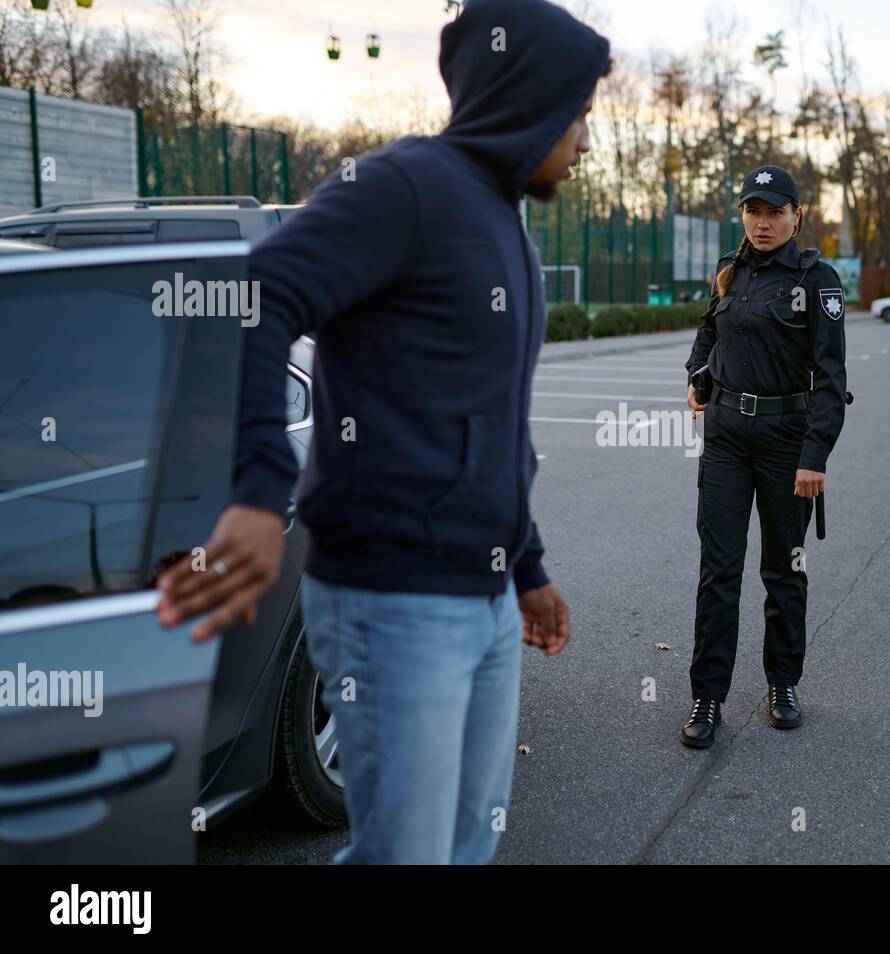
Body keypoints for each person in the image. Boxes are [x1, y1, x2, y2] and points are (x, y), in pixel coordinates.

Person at [155, 0, 611, 863]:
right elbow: (258, 297)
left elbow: (494, 421)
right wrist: (258, 490)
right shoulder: (404, 187)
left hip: (480, 602)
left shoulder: (505, 223)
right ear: (531, 100)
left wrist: (529, 567)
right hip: (392, 600)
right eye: (581, 113)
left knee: (468, 844)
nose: (587, 140)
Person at [681, 164, 848, 748]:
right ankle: (707, 696)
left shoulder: (817, 279)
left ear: (796, 216)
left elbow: (831, 378)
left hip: (787, 443)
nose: (762, 221)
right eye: (753, 210)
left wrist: (815, 455)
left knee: (784, 570)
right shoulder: (730, 271)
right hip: (725, 438)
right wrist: (698, 376)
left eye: (775, 211)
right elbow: (708, 332)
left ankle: (783, 682)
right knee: (718, 571)